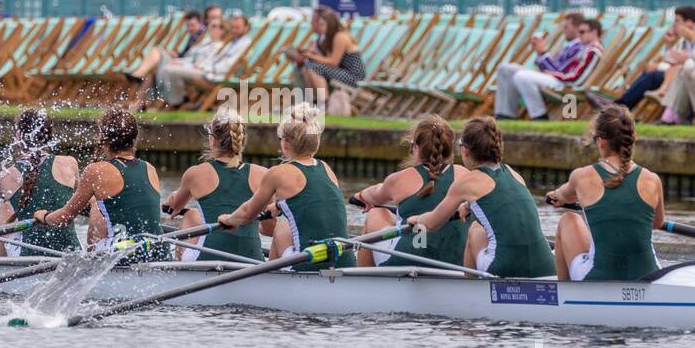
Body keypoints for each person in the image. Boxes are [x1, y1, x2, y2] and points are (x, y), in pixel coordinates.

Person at [407, 116, 553, 277]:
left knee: (475, 229)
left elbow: (432, 223)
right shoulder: (514, 174)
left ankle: (470, 290)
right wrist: (469, 206)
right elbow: (506, 205)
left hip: (504, 267)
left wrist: (417, 219)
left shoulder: (467, 182)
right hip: (546, 266)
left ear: (465, 150)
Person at [217, 103, 352, 271]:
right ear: (315, 142)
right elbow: (316, 203)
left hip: (308, 264)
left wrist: (228, 220)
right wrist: (280, 206)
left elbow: (246, 214)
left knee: (282, 228)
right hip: (345, 261)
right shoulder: (326, 168)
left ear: (285, 143)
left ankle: (272, 281)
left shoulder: (278, 173)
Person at [32, 107, 169, 262]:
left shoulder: (95, 170)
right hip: (158, 252)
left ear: (103, 138)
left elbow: (64, 218)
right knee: (99, 208)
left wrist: (44, 216)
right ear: (134, 138)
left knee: (98, 210)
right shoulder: (150, 168)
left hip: (123, 255)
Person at [545, 106, 664, 281]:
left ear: (600, 141)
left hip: (598, 277)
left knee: (568, 219)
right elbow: (657, 223)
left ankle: (563, 294)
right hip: (649, 275)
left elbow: (561, 196)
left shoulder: (581, 177)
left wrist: (554, 195)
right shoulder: (653, 180)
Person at [353, 114, 468, 268]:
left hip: (408, 258)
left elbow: (374, 196)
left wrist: (360, 196)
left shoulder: (400, 179)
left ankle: (362, 282)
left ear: (415, 147)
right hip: (456, 261)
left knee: (376, 213)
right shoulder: (465, 175)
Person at [163, 108, 272, 262]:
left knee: (189, 215)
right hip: (253, 260)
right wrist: (249, 220)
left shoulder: (195, 174)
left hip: (208, 259)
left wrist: (169, 202)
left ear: (212, 140)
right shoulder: (263, 174)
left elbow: (176, 206)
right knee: (195, 214)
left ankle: (181, 270)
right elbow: (269, 229)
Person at [0, 108, 81, 256]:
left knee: (4, 209)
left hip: (30, 256)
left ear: (18, 136)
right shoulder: (69, 164)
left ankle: (1, 266)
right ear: (49, 136)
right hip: (71, 255)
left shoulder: (5, 177)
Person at [494, 13, 602, 121]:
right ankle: (504, 115)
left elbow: (574, 78)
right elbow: (561, 70)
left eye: (582, 32)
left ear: (594, 32)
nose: (579, 34)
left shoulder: (590, 51)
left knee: (521, 77)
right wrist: (544, 57)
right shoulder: (584, 48)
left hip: (564, 84)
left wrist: (544, 54)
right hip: (559, 78)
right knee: (504, 68)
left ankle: (539, 117)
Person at [600, 6, 695, 111]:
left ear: (689, 22)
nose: (675, 25)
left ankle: (620, 106)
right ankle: (620, 105)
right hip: (674, 74)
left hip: (683, 76)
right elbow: (672, 60)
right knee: (648, 73)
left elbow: (683, 64)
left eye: (677, 21)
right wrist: (669, 45)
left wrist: (659, 66)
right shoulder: (683, 40)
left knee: (652, 76)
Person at [155, 15, 248, 107]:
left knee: (169, 70)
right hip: (208, 70)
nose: (234, 30)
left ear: (246, 28)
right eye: (233, 27)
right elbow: (214, 60)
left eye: (237, 28)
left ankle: (177, 102)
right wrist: (195, 65)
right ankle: (174, 101)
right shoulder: (231, 43)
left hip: (218, 74)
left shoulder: (244, 44)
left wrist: (205, 67)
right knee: (165, 67)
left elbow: (230, 65)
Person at [286, 6, 365, 107]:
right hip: (342, 72)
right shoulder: (328, 38)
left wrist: (311, 56)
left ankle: (324, 102)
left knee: (312, 68)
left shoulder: (340, 37)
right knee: (307, 68)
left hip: (353, 76)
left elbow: (333, 62)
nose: (319, 27)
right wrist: (314, 53)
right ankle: (314, 102)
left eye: (322, 25)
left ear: (329, 25)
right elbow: (328, 61)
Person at [123, 10, 206, 92]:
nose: (190, 28)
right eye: (188, 25)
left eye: (192, 25)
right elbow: (187, 53)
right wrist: (176, 55)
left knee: (156, 52)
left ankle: (139, 74)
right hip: (180, 61)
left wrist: (179, 59)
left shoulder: (203, 36)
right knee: (153, 67)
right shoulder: (195, 35)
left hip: (187, 66)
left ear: (200, 23)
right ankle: (139, 101)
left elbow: (196, 57)